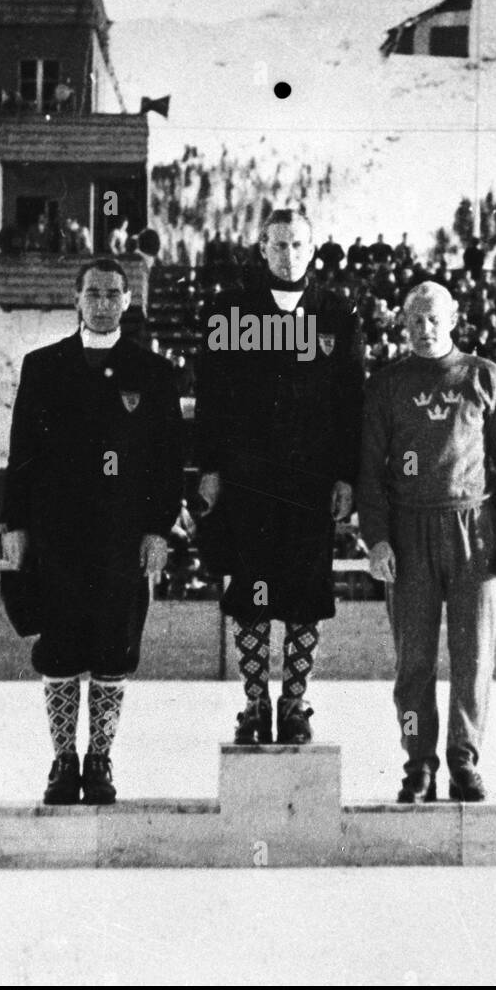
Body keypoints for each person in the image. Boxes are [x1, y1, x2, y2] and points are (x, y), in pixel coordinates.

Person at [2, 258, 184, 805]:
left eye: (112, 294)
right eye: (93, 293)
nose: (102, 303)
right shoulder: (43, 367)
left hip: (121, 536)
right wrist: (14, 523)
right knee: (58, 645)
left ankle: (100, 758)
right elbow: (22, 451)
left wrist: (158, 528)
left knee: (114, 645)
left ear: (127, 301)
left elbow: (167, 460)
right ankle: (63, 760)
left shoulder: (153, 372)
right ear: (76, 298)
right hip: (56, 532)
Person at [194, 207, 364, 745]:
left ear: (311, 251)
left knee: (305, 593)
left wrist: (346, 476)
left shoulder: (337, 313)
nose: (289, 254)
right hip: (246, 481)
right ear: (262, 248)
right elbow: (211, 395)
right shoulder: (229, 310)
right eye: (279, 244)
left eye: (298, 245)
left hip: (311, 483)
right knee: (252, 592)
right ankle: (254, 703)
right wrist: (210, 468)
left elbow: (351, 402)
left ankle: (294, 704)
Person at [359, 282, 496, 804]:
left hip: (474, 532)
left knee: (473, 657)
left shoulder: (484, 376)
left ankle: (463, 760)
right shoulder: (387, 384)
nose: (424, 328)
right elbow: (370, 471)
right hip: (409, 533)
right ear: (402, 324)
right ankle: (418, 764)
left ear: (454, 319)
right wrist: (377, 539)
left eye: (434, 318)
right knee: (413, 663)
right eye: (414, 320)